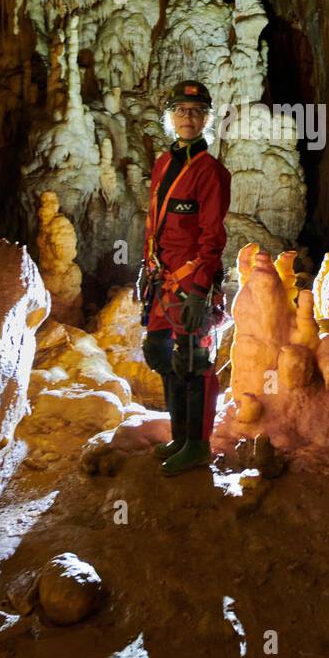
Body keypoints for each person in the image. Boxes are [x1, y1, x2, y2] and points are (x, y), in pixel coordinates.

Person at [139, 80, 231, 475]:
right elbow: (154, 221)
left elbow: (212, 237)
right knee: (161, 354)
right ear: (170, 117)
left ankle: (197, 445)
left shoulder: (210, 172)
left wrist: (198, 292)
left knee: (193, 361)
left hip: (189, 281)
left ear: (207, 119)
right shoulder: (163, 162)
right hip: (161, 278)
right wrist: (146, 267)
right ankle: (179, 436)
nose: (188, 118)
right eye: (180, 111)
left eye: (195, 112)